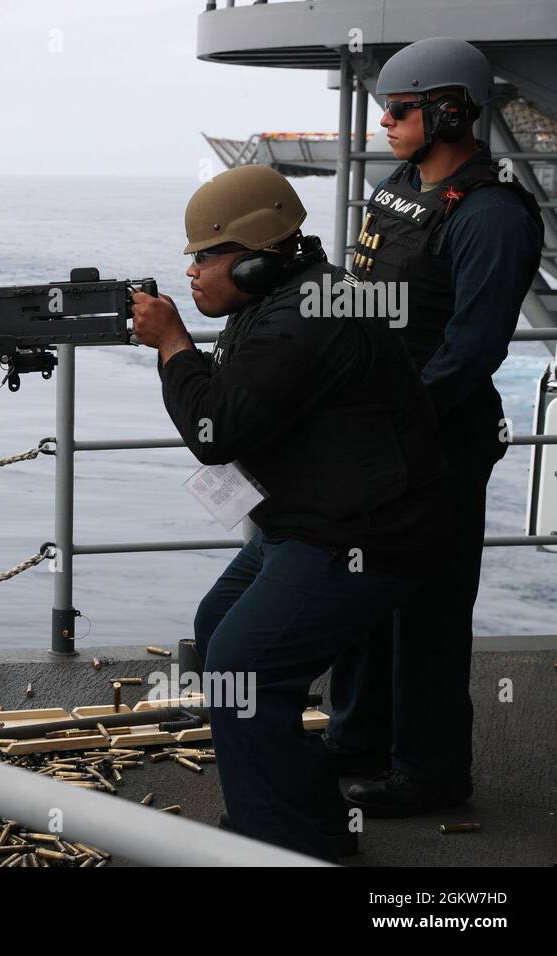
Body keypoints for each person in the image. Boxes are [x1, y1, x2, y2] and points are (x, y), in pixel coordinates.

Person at [130, 163, 448, 861]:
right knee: (220, 629)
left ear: (254, 258)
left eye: (204, 256)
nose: (192, 272)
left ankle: (290, 843)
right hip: (314, 515)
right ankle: (296, 806)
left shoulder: (309, 313)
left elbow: (217, 431)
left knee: (244, 663)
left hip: (365, 532)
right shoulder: (286, 299)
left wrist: (173, 345)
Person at [325, 37, 543, 817]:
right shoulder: (404, 186)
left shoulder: (491, 217)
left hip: (437, 442)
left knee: (430, 610)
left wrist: (394, 422)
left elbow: (471, 349)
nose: (383, 121)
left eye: (400, 109)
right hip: (377, 437)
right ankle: (357, 743)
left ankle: (428, 772)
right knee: (364, 600)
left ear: (448, 111)